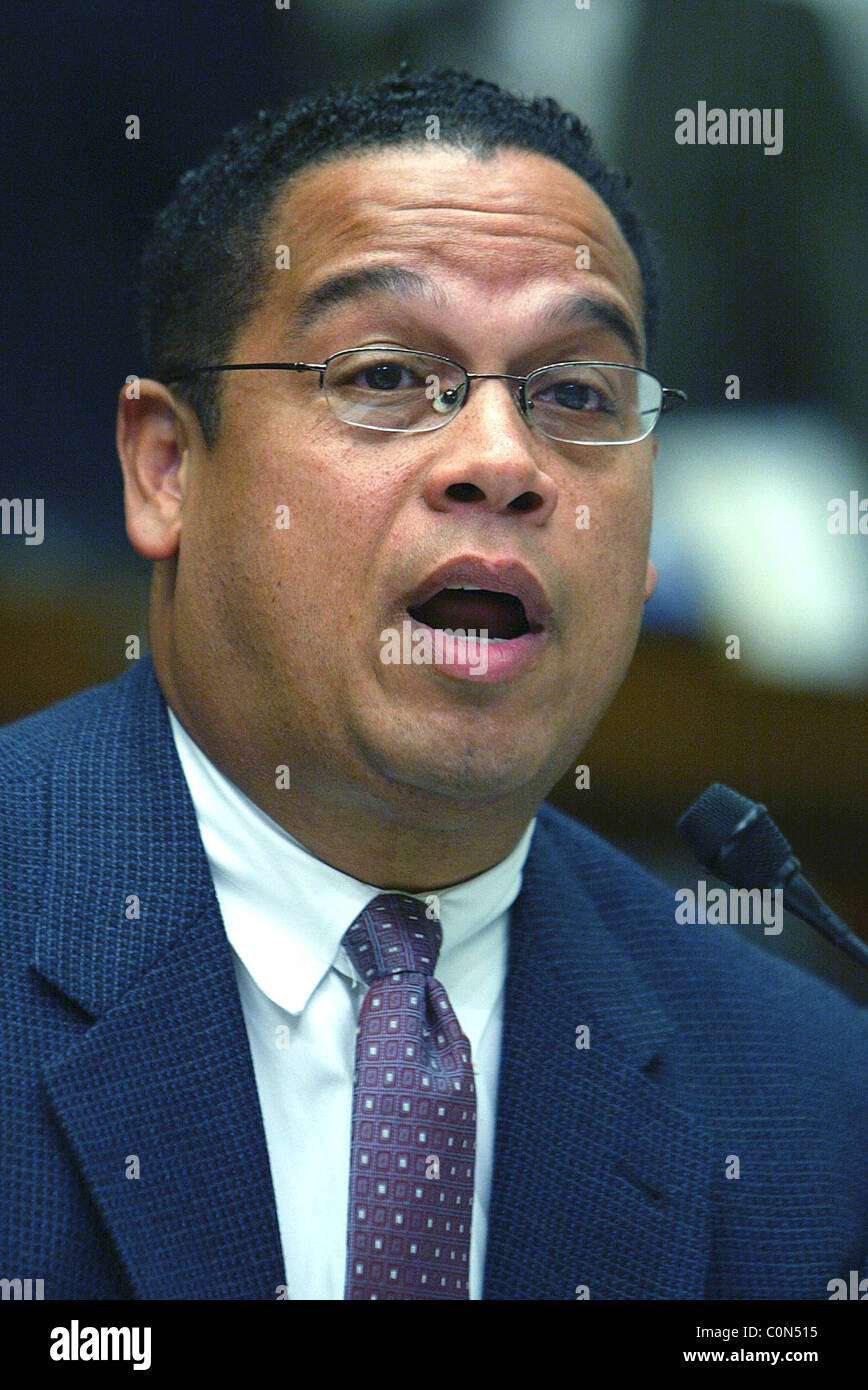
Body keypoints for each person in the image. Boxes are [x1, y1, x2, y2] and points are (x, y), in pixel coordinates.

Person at [1, 66, 864, 1302]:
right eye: (387, 376)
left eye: (574, 394)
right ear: (164, 470)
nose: (502, 462)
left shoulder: (814, 1104)